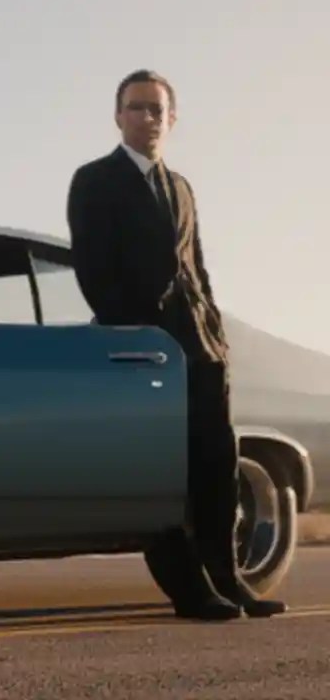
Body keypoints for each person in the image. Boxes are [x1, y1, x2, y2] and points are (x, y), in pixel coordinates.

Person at [65, 69, 287, 621]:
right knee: (167, 473)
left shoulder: (182, 186)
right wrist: (139, 336)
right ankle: (188, 589)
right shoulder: (95, 181)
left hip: (203, 351)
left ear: (173, 118)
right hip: (147, 352)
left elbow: (197, 267)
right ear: (118, 116)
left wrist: (214, 330)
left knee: (218, 469)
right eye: (138, 108)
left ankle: (229, 580)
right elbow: (93, 271)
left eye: (159, 110)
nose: (150, 118)